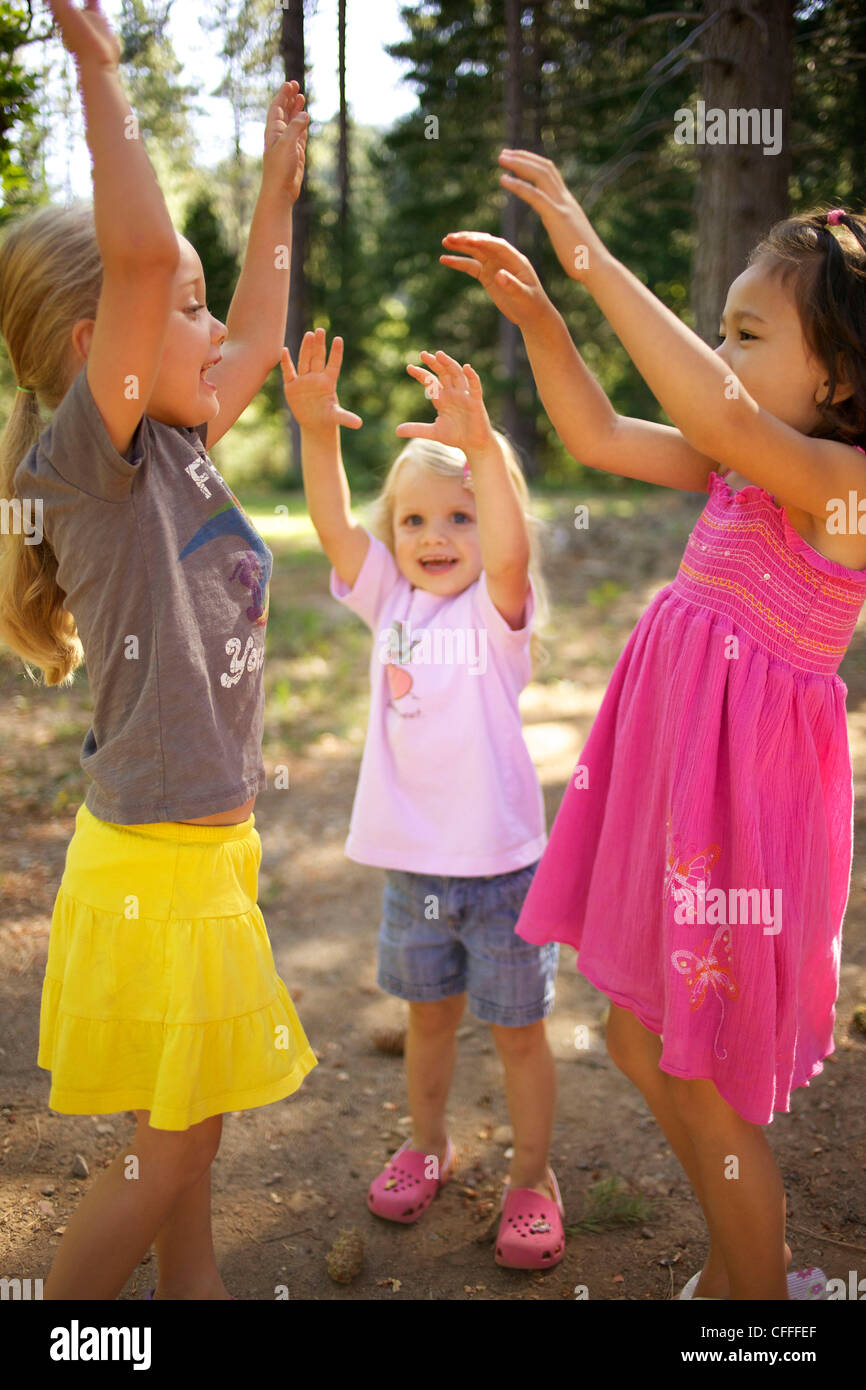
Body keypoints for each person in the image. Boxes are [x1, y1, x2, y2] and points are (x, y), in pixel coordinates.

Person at [440, 153, 866, 1300]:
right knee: (635, 1038)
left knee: (706, 1082)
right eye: (718, 331)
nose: (720, 355)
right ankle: (745, 1278)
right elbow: (595, 435)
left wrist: (586, 252)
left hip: (746, 818)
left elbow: (714, 409)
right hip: (675, 787)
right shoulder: (739, 471)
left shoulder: (837, 487)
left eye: (745, 331)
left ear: (837, 380)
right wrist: (540, 318)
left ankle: (758, 1302)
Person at [0, 0, 316, 1300]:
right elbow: (143, 265)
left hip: (207, 850)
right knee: (166, 1149)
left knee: (193, 1135)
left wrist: (278, 195)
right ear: (103, 358)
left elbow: (249, 325)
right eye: (174, 315)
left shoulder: (175, 441)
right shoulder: (96, 462)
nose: (211, 338)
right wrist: (100, 72)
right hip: (159, 869)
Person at [280, 327, 564, 1268]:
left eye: (461, 517)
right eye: (413, 522)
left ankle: (533, 1178)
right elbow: (330, 523)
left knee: (517, 1034)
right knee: (428, 1019)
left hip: (503, 872)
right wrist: (317, 433)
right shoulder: (388, 604)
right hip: (415, 872)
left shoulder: (496, 611)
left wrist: (482, 449)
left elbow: (513, 547)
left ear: (491, 523)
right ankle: (428, 1141)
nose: (435, 538)